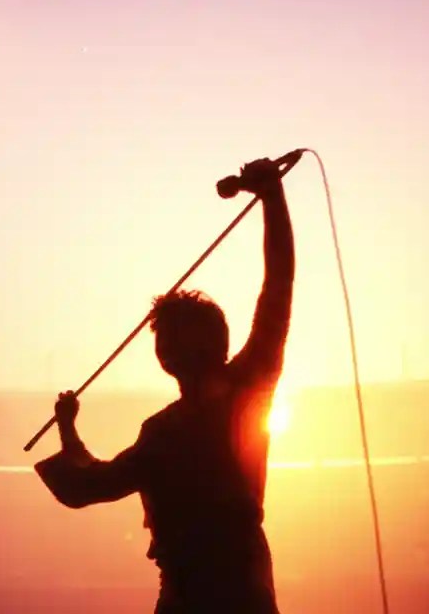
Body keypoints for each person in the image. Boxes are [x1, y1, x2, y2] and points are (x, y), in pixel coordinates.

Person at [35, 156, 295, 613]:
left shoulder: (165, 432)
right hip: (240, 594)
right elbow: (278, 286)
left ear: (167, 357)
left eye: (168, 337)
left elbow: (90, 485)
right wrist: (272, 197)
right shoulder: (242, 390)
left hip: (190, 598)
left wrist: (69, 429)